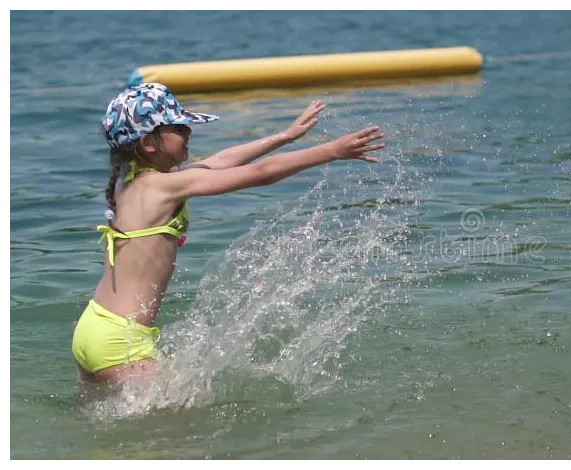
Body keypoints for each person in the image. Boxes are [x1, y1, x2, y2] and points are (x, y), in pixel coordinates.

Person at [71, 82, 384, 385]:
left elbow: (217, 162)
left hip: (94, 325)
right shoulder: (162, 186)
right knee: (182, 432)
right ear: (148, 144)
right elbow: (260, 174)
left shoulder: (138, 183)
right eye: (177, 128)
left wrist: (285, 137)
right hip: (119, 343)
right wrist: (330, 151)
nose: (188, 131)